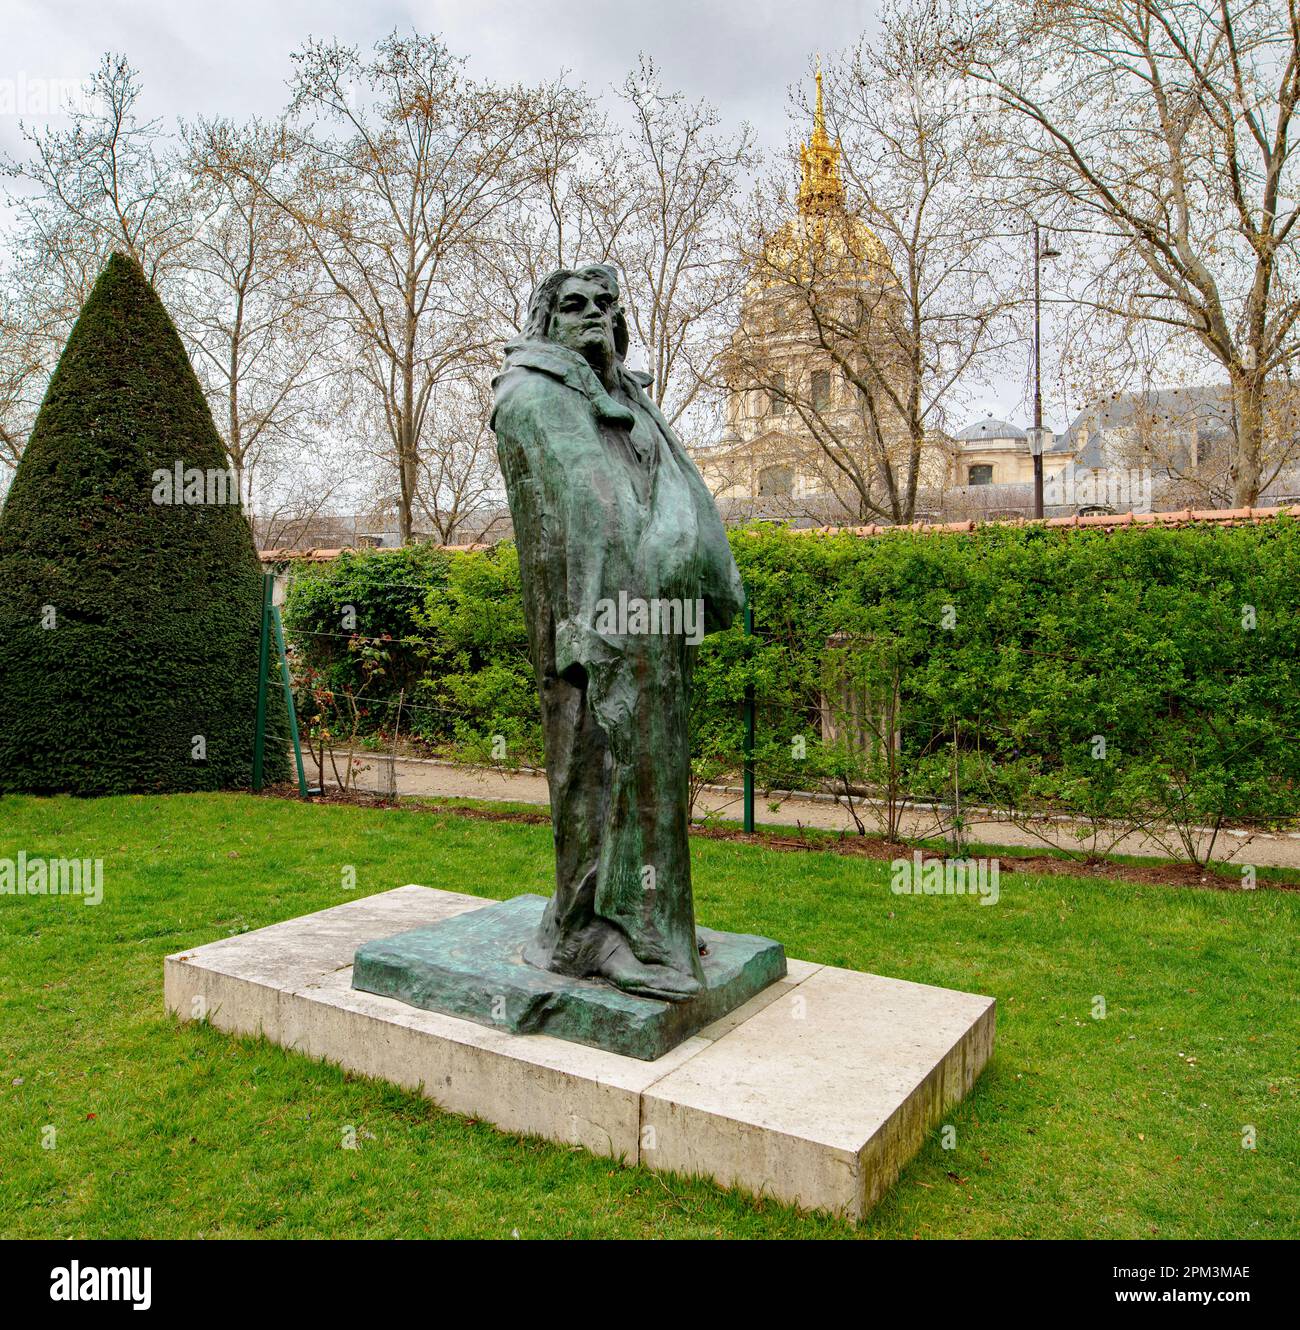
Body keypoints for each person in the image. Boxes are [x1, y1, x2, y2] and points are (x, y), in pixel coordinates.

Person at [491, 264, 745, 1001]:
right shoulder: (532, 395)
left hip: (648, 623)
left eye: (606, 304)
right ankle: (589, 935)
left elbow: (662, 496)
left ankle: (653, 918)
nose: (595, 315)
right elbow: (592, 509)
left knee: (651, 775)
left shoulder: (625, 396)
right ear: (548, 322)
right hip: (590, 627)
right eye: (575, 306)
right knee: (593, 774)